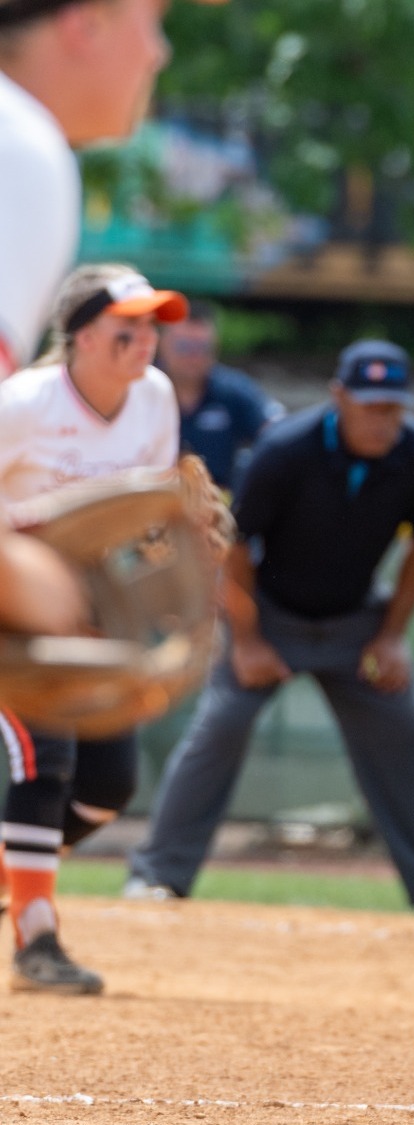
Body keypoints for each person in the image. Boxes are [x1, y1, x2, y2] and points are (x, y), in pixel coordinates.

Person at [124, 340, 414, 918]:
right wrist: (248, 640)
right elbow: (235, 548)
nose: (380, 419)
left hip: (356, 622)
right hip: (269, 613)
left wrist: (390, 636)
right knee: (219, 728)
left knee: (405, 734)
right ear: (338, 397)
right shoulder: (285, 449)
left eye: (391, 407)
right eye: (368, 405)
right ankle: (157, 875)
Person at [0, 263, 189, 993]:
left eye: (151, 328)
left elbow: (144, 514)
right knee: (43, 755)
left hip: (92, 612)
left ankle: (18, 878)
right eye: (127, 327)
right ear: (80, 336)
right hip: (13, 608)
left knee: (108, 784)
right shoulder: (24, 404)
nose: (145, 340)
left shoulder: (154, 399)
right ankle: (36, 934)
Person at [0, 0, 214, 639]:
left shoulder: (152, 397)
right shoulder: (19, 146)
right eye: (152, 21)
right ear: (85, 25)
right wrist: (21, 575)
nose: (159, 53)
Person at [158, 300, 284, 489]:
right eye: (183, 346)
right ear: (162, 344)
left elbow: (278, 436)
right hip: (150, 499)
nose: (193, 356)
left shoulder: (233, 390)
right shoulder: (141, 389)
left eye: (202, 347)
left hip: (218, 500)